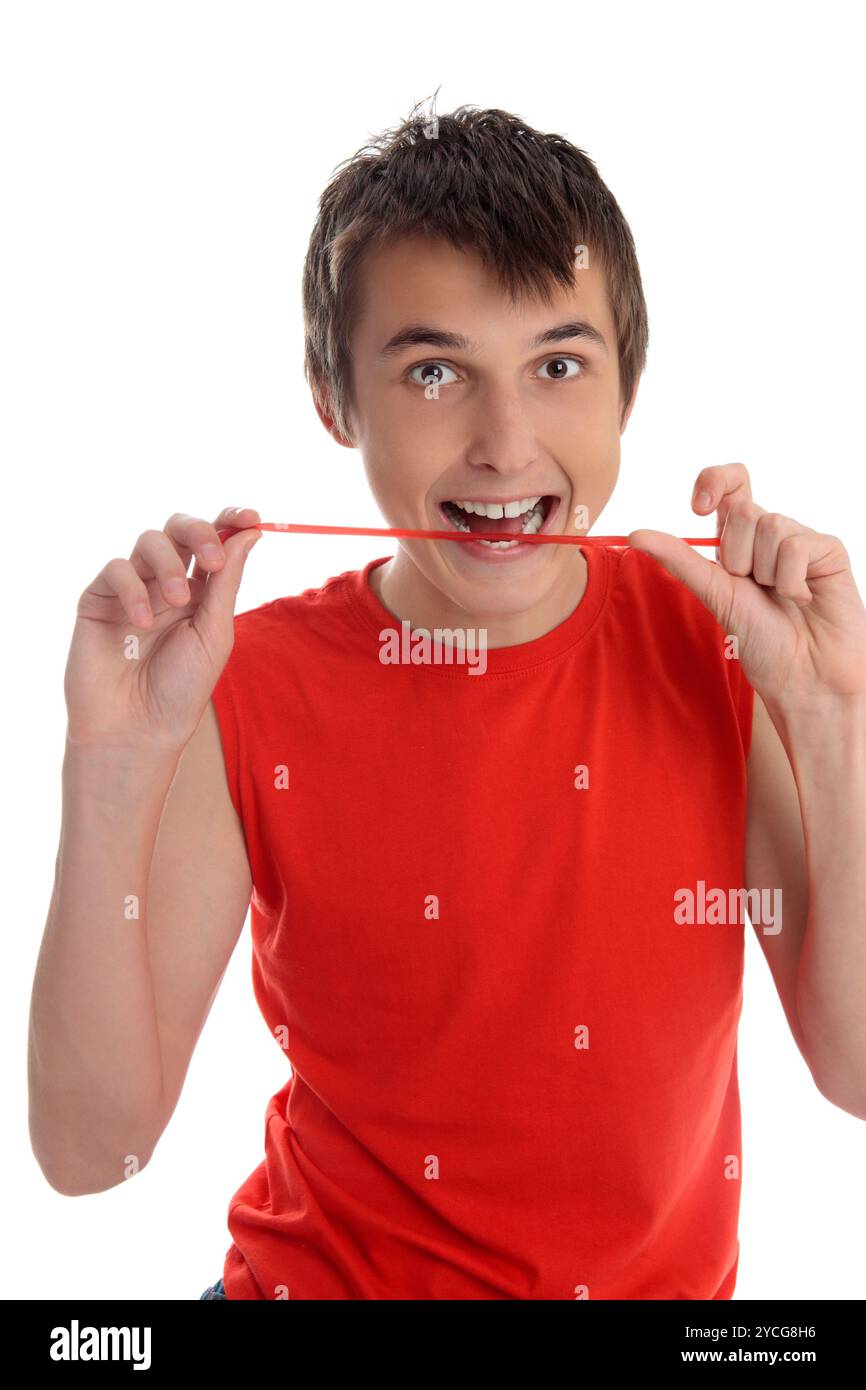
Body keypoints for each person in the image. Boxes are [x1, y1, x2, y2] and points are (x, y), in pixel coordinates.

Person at [29, 102, 866, 1301]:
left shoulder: (727, 646)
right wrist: (110, 765)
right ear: (332, 395)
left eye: (558, 365)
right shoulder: (236, 685)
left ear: (626, 388)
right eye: (435, 371)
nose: (505, 443)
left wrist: (830, 719)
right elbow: (85, 1154)